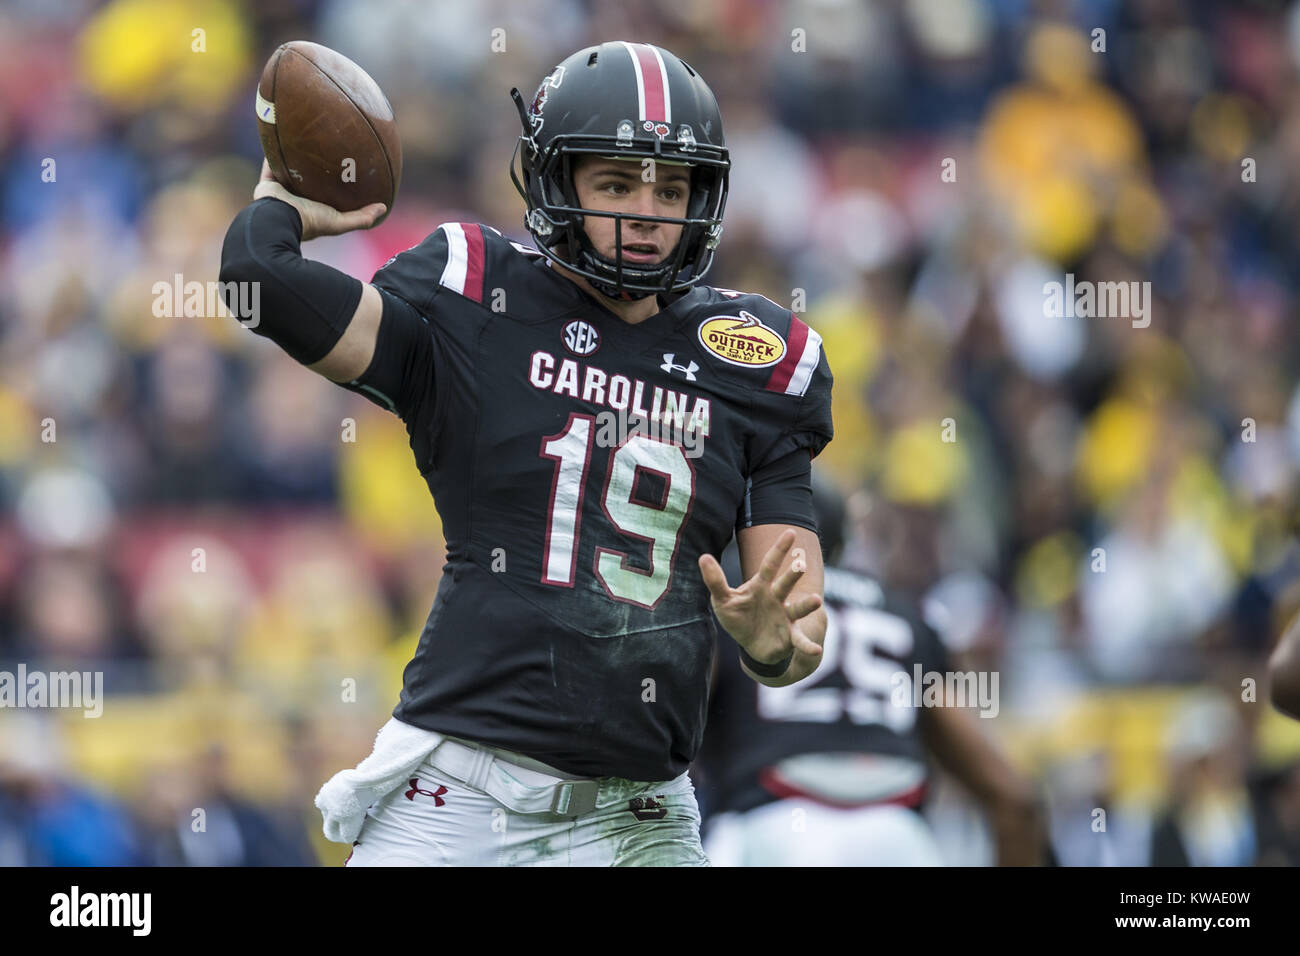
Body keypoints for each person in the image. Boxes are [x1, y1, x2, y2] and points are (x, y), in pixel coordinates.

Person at [218, 40, 834, 866]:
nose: (648, 210)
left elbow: (797, 636)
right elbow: (261, 282)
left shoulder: (758, 361)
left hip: (638, 818)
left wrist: (767, 641)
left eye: (671, 186)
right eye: (616, 183)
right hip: (460, 792)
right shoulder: (479, 295)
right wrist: (287, 207)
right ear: (556, 183)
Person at [696, 476, 1045, 865]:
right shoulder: (907, 615)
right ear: (844, 542)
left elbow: (662, 742)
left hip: (769, 829)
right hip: (899, 837)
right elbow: (1015, 799)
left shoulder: (726, 601)